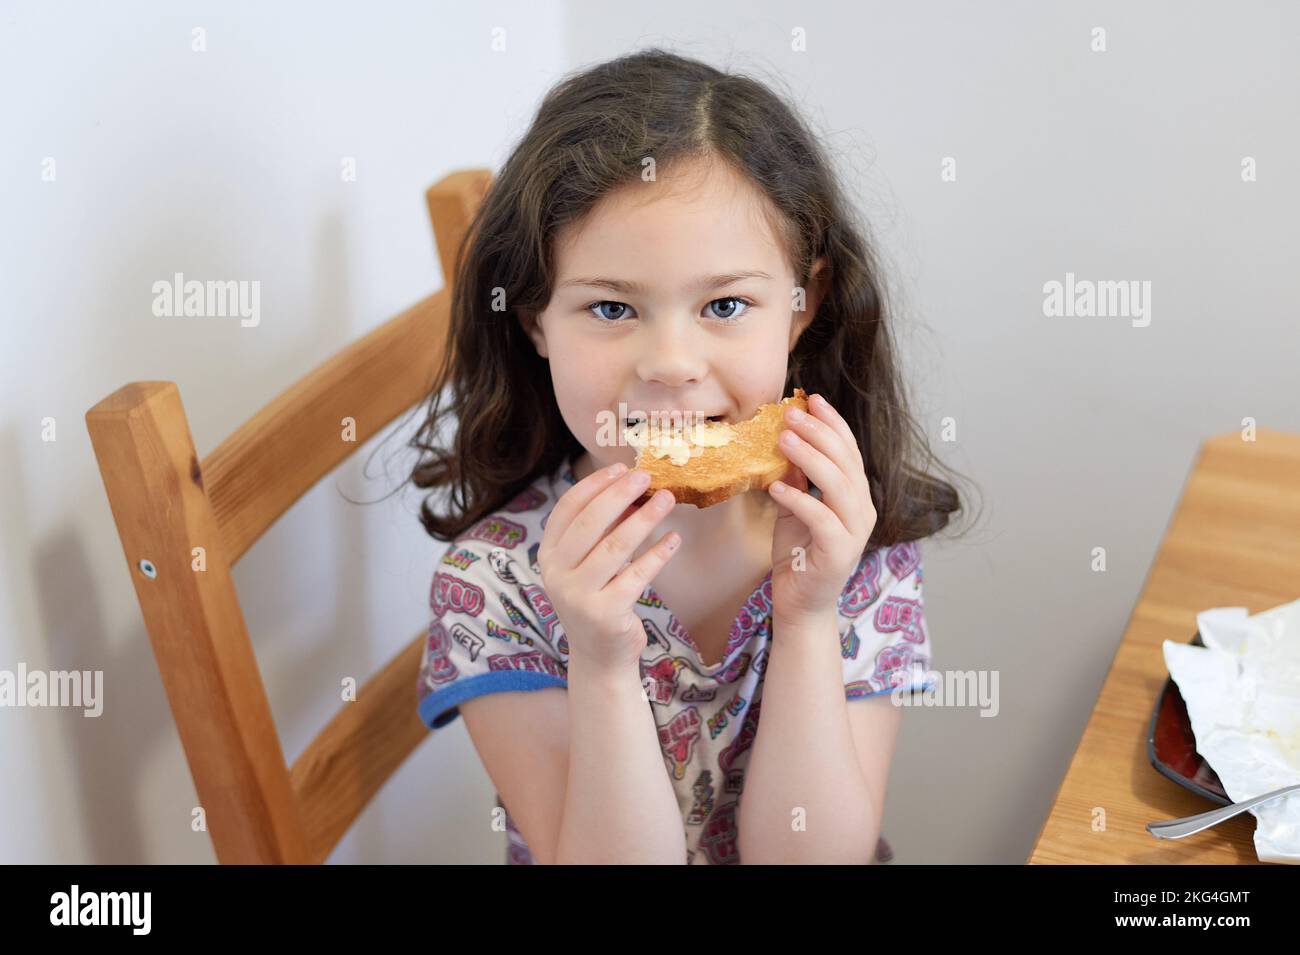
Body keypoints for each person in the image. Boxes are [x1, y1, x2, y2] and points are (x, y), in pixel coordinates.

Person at [407, 48, 967, 864]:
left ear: (802, 306)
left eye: (726, 304)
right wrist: (599, 660)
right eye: (610, 305)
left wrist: (809, 617)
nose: (671, 360)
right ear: (534, 321)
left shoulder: (852, 543)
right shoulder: (495, 586)